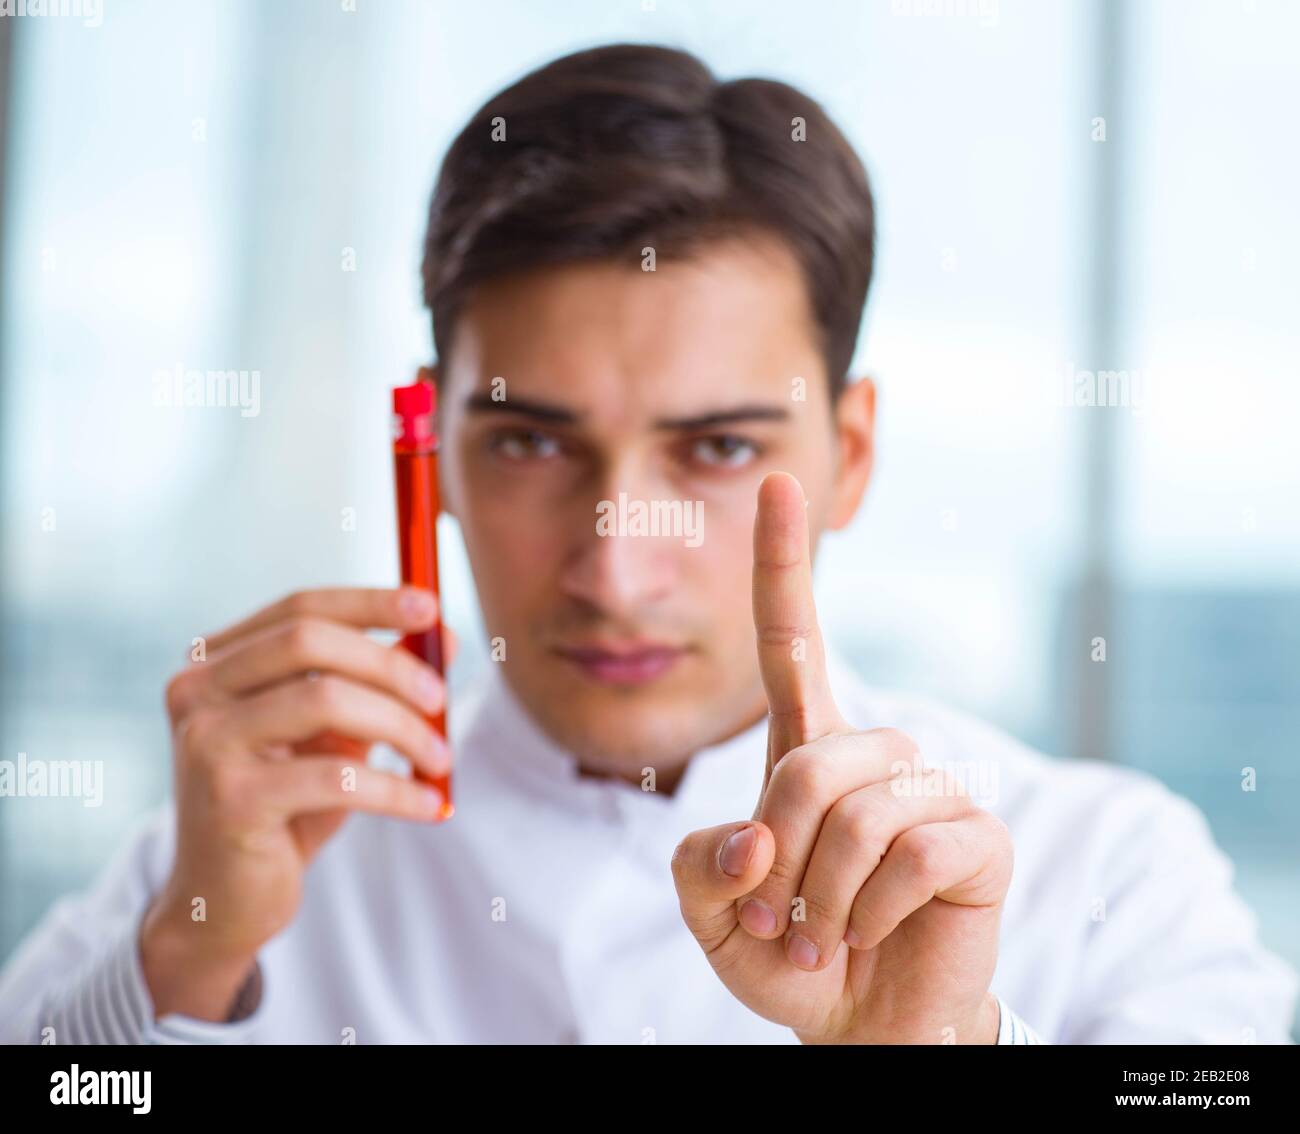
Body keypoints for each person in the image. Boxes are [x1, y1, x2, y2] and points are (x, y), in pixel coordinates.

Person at [1, 43, 1293, 1045]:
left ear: (851, 455)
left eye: (719, 449)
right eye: (531, 444)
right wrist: (181, 955)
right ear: (429, 449)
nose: (617, 568)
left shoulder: (1118, 871)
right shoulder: (222, 870)